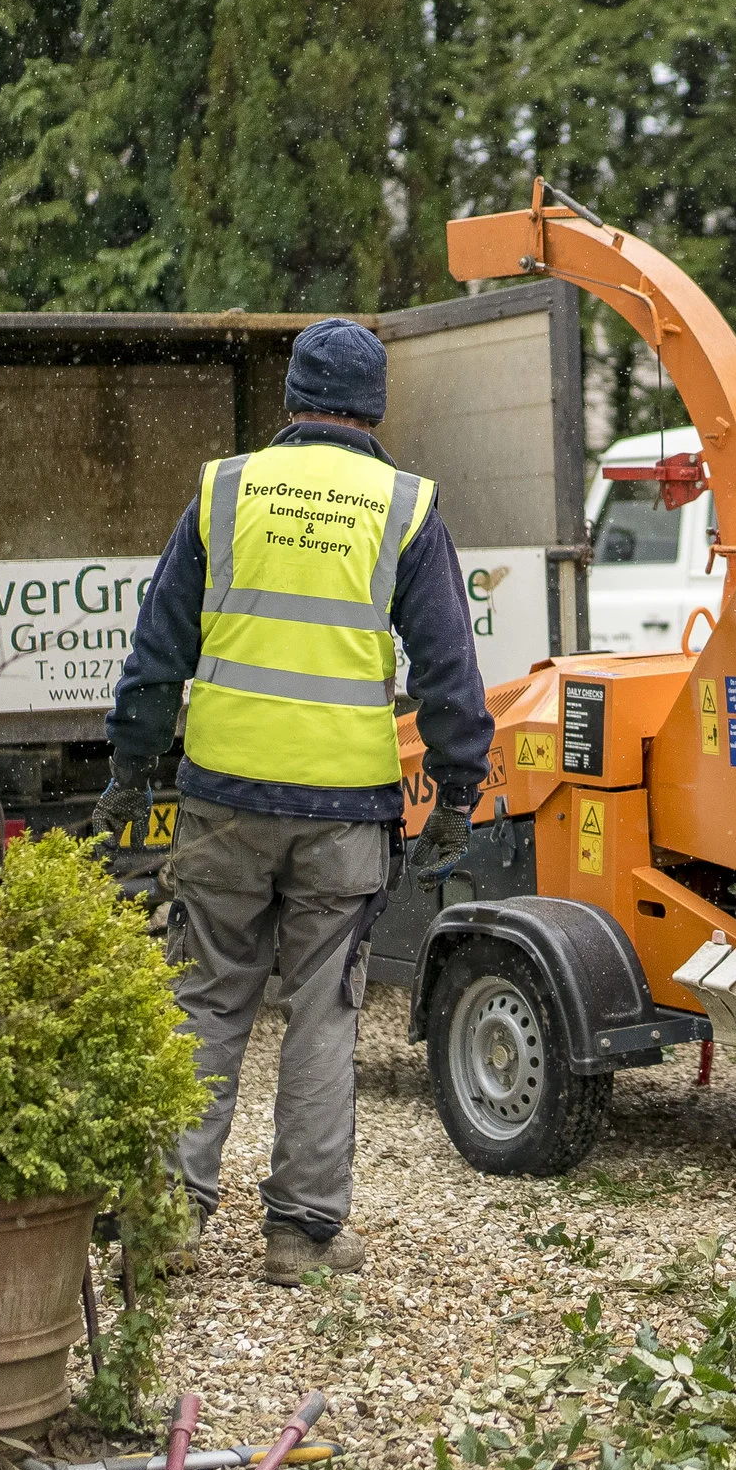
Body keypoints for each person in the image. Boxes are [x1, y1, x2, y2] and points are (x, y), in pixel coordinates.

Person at [92, 318, 494, 1286]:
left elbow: (158, 650)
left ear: (289, 399)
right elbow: (448, 668)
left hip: (224, 795)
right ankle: (302, 1235)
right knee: (323, 1011)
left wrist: (129, 765)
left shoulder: (225, 490)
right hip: (343, 809)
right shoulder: (404, 506)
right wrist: (458, 785)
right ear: (374, 409)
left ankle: (166, 1222)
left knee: (204, 995)